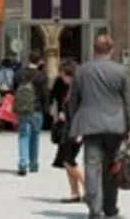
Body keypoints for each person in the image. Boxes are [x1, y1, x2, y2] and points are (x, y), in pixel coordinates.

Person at [69, 34, 130, 219]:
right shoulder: (120, 71)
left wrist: (75, 125)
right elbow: (126, 102)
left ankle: (95, 208)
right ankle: (110, 207)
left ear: (94, 49)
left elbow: (74, 100)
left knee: (92, 166)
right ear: (111, 51)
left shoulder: (82, 71)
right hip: (115, 124)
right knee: (113, 165)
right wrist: (128, 128)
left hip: (90, 124)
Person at [12, 49, 49, 176]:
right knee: (35, 136)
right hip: (36, 109)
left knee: (23, 135)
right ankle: (33, 163)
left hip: (22, 109)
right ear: (39, 61)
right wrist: (47, 108)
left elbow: (14, 92)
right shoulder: (41, 75)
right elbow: (45, 94)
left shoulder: (18, 74)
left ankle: (22, 163)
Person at [52, 61, 84, 203]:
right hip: (68, 128)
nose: (61, 78)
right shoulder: (70, 88)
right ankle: (74, 193)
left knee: (68, 160)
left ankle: (90, 189)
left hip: (76, 129)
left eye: (62, 75)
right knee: (66, 162)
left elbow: (84, 111)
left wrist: (81, 132)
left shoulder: (80, 89)